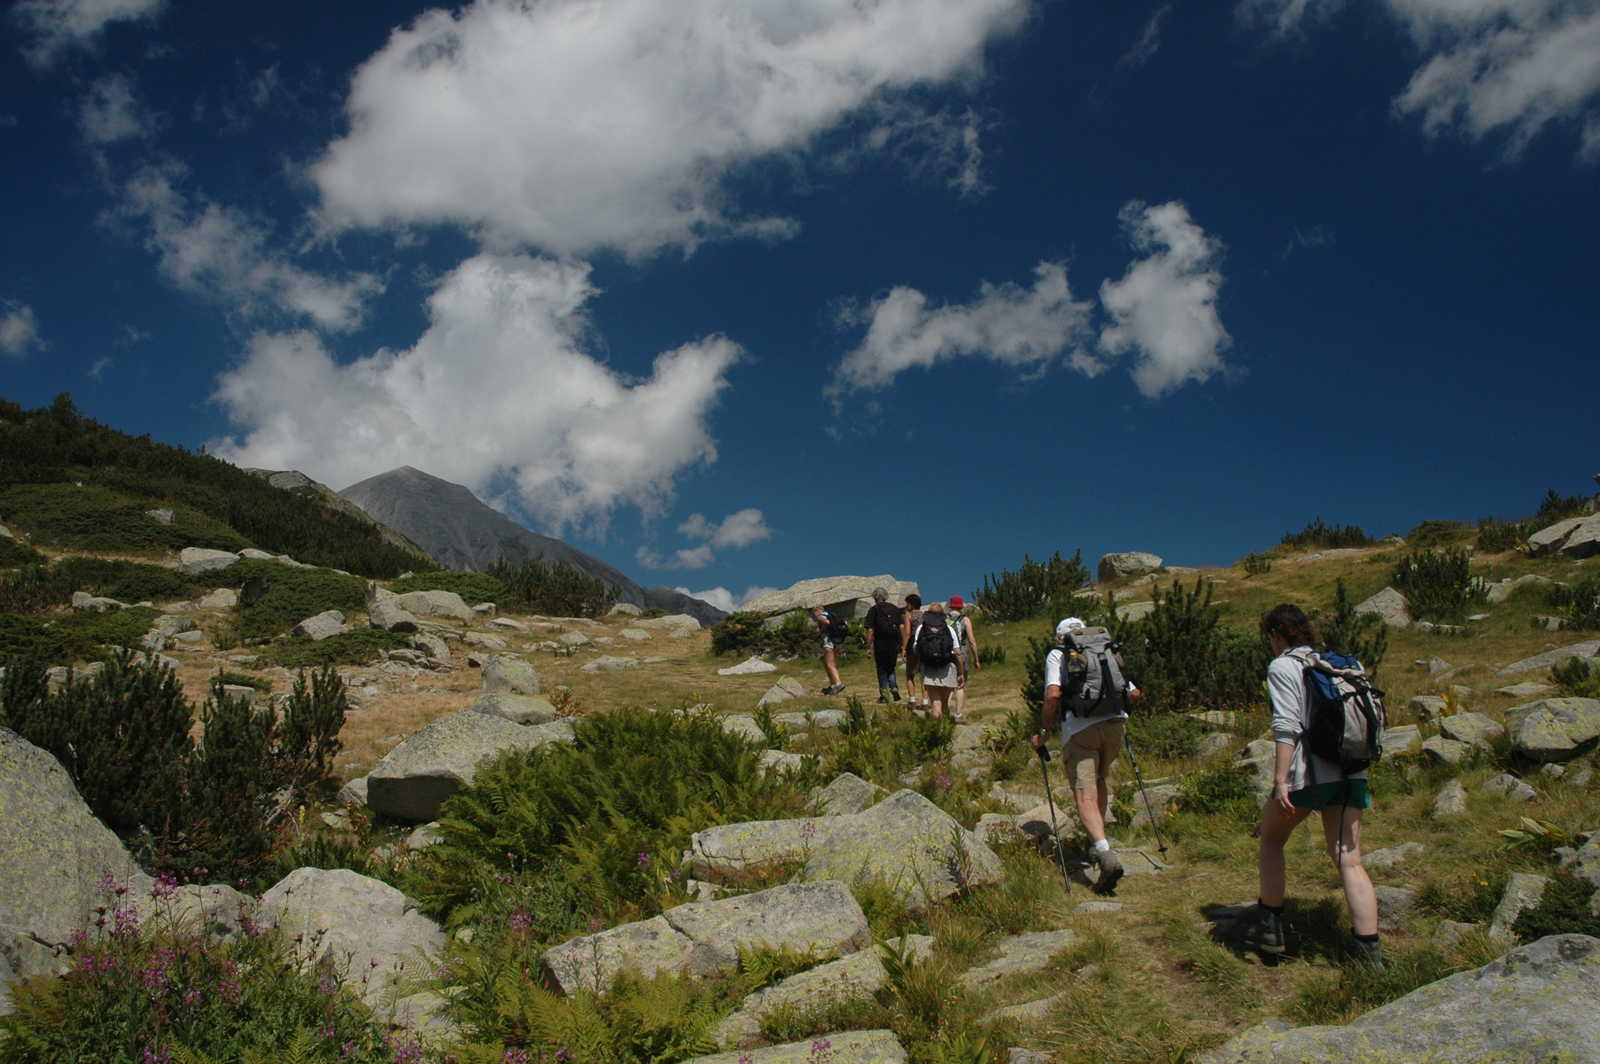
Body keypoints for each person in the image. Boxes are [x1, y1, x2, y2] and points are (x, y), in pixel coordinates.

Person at [1246, 603, 1381, 966]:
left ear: (1276, 634)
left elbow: (1287, 726)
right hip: (1351, 769)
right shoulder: (1345, 664)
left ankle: (1271, 928)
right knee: (1349, 860)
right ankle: (1369, 954)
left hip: (1308, 773)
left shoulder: (1283, 666)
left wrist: (1280, 779)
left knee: (1272, 838)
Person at [1030, 616, 1133, 894]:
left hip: (1080, 730)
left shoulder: (1058, 653)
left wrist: (1044, 732)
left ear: (1059, 637)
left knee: (1083, 793)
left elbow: (1053, 695)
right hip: (1115, 725)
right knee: (1099, 781)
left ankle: (1104, 852)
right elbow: (1133, 693)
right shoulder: (1104, 649)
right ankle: (1096, 842)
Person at [912, 601, 964, 719]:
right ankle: (946, 730)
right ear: (942, 614)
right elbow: (958, 653)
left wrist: (921, 659)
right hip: (947, 666)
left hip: (929, 667)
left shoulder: (922, 627)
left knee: (935, 702)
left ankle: (937, 731)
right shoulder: (948, 628)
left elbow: (915, 648)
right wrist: (960, 673)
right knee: (945, 702)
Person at [863, 587, 903, 703]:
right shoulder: (895, 609)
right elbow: (901, 627)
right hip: (894, 642)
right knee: (891, 667)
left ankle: (884, 695)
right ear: (885, 596)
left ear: (875, 598)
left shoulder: (874, 610)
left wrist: (869, 646)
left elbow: (870, 630)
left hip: (881, 642)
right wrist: (901, 644)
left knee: (881, 669)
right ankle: (894, 687)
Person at [948, 594, 980, 719]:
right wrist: (976, 659)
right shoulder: (965, 620)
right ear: (961, 606)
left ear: (950, 605)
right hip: (961, 651)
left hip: (946, 653)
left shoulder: (944, 618)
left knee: (948, 685)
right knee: (960, 684)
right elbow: (971, 641)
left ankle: (944, 712)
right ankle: (958, 714)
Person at [810, 604, 847, 696]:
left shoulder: (821, 616)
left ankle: (838, 684)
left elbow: (827, 623)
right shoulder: (832, 615)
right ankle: (833, 685)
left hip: (829, 641)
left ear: (817, 611)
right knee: (831, 663)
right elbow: (845, 623)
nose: (814, 615)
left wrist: (822, 630)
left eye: (813, 613)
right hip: (837, 641)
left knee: (829, 664)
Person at [900, 593, 925, 708]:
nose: (906, 606)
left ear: (910, 604)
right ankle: (925, 702)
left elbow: (907, 633)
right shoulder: (925, 615)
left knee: (910, 674)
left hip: (912, 646)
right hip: (924, 646)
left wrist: (903, 648)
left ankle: (912, 700)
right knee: (923, 675)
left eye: (907, 603)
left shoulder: (908, 615)